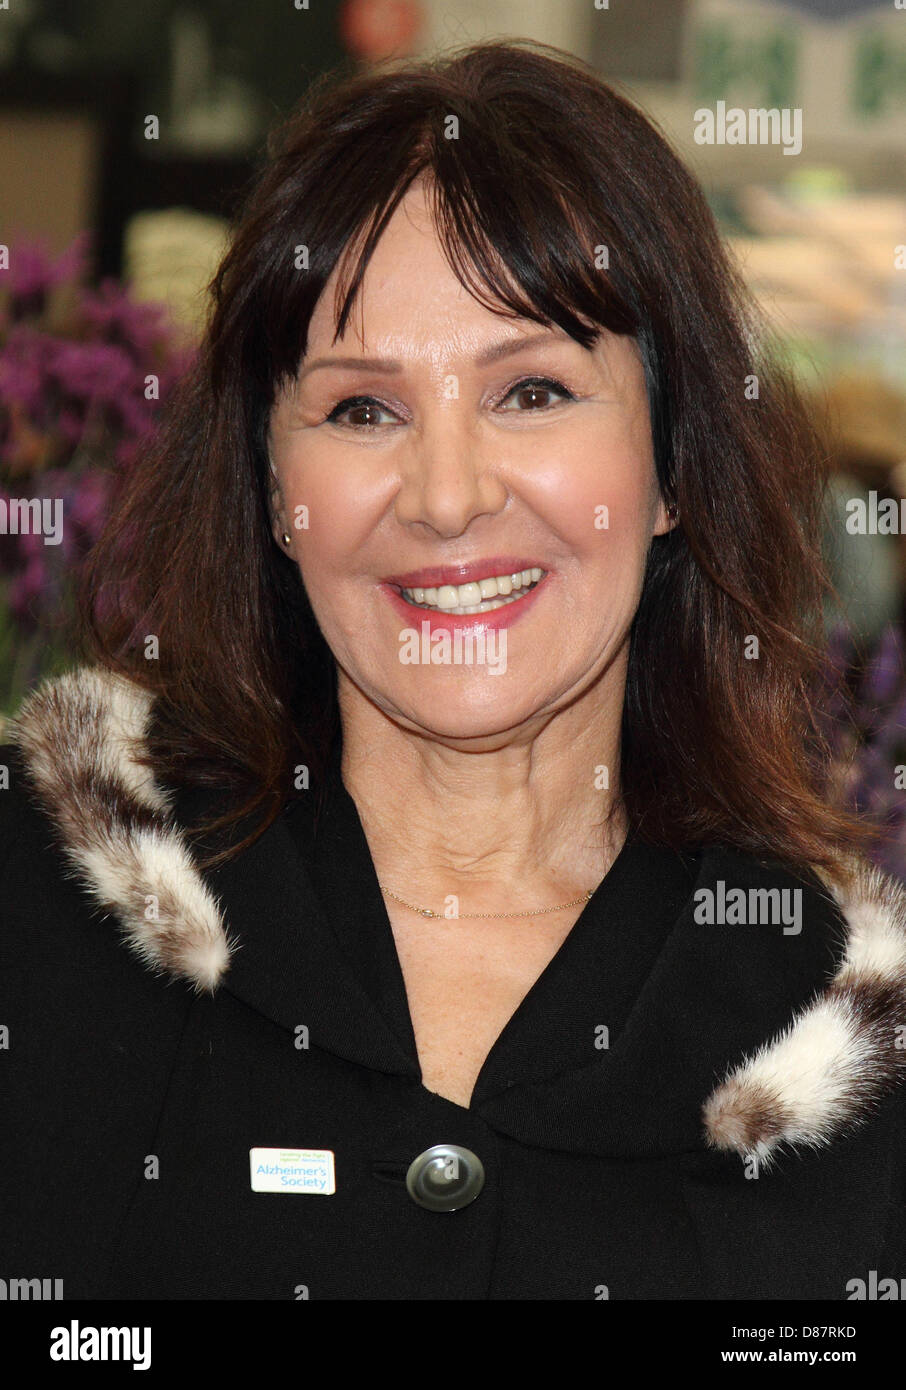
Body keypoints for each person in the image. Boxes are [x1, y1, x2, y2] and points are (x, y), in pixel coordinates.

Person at [2, 39, 904, 1302]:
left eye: (532, 391)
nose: (446, 497)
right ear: (272, 486)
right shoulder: (45, 906)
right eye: (363, 409)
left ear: (674, 468)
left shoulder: (829, 1031)